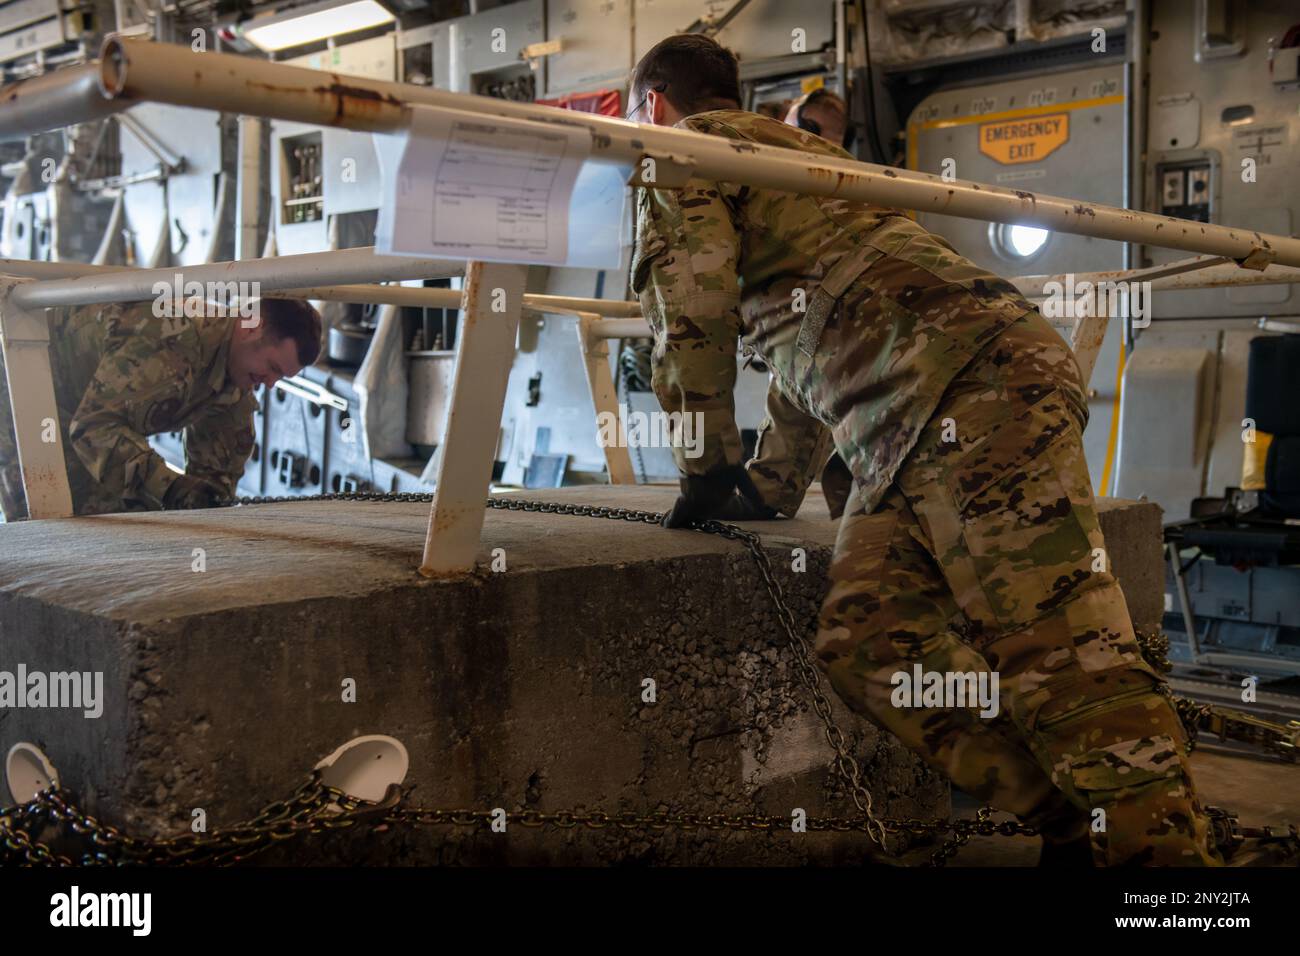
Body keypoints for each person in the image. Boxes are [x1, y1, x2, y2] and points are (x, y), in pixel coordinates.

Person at [626, 33, 1222, 866]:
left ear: (652, 105)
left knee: (1065, 658)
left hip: (967, 388)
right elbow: (809, 348)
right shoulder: (798, 157)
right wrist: (764, 488)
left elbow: (690, 317)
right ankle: (1073, 825)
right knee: (870, 642)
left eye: (636, 116)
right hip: (914, 411)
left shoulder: (674, 153)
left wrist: (702, 470)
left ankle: (1174, 883)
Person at [0, 296, 321, 519]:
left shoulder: (236, 375)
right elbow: (94, 430)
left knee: (129, 521)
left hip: (80, 416)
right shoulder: (173, 341)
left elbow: (215, 482)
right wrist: (171, 489)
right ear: (252, 327)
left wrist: (208, 505)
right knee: (57, 524)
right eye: (274, 368)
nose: (270, 384)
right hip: (23, 392)